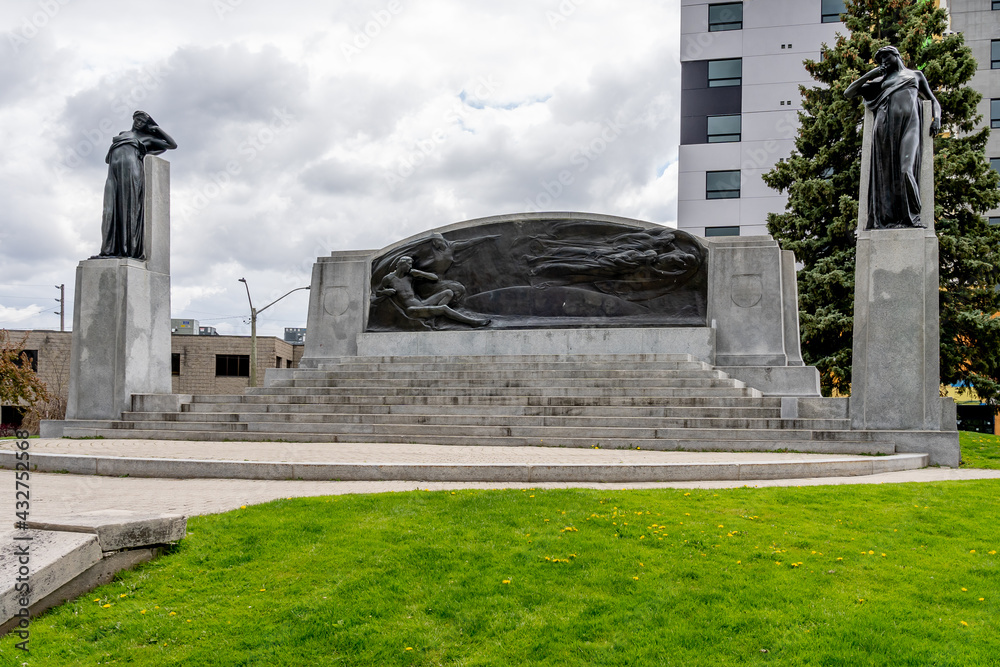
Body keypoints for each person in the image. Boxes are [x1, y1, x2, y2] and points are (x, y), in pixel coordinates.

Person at [844, 45, 941, 229]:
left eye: (886, 58)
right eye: (881, 61)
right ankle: (891, 218)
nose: (884, 63)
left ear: (896, 55)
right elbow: (848, 93)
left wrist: (937, 118)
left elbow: (933, 100)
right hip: (885, 129)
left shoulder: (915, 75)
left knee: (906, 170)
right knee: (887, 174)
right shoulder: (882, 80)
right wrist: (870, 75)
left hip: (909, 127)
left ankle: (912, 217)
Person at [99, 110, 177, 259]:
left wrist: (157, 129)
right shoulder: (123, 133)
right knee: (109, 210)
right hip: (113, 172)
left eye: (143, 122)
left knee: (128, 207)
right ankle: (108, 249)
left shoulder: (147, 138)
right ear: (133, 119)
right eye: (137, 120)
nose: (139, 123)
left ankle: (128, 249)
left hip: (131, 171)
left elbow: (172, 145)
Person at [374, 256, 489, 327]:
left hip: (422, 304)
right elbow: (377, 292)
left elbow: (434, 278)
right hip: (411, 310)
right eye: (408, 263)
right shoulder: (389, 278)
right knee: (443, 308)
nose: (410, 266)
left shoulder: (409, 276)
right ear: (401, 264)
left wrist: (420, 273)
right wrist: (386, 291)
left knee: (448, 292)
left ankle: (438, 315)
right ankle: (472, 322)